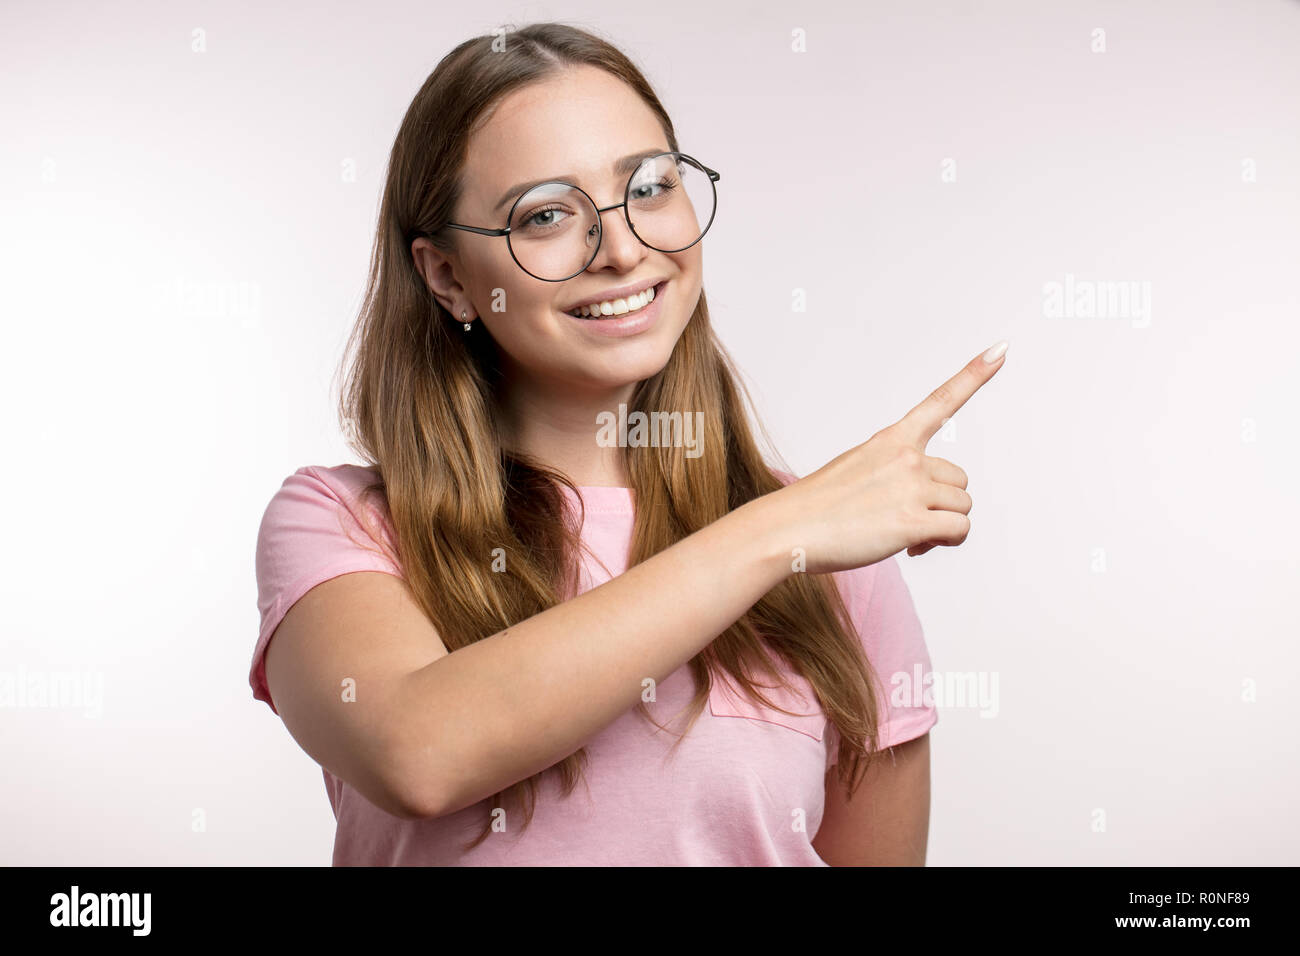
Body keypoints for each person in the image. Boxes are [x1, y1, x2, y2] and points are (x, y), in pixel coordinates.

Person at [250, 21, 1008, 866]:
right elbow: (418, 753)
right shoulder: (339, 524)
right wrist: (776, 533)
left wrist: (797, 529)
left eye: (649, 188)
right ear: (447, 276)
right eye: (545, 215)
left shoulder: (834, 547)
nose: (621, 248)